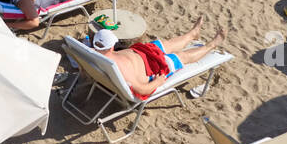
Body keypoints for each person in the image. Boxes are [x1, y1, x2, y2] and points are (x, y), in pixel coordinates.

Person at [91, 20, 226, 100]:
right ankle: (211, 45)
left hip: (143, 54)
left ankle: (192, 35)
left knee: (164, 45)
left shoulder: (92, 54)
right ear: (112, 45)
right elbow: (142, 90)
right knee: (181, 57)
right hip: (154, 70)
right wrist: (158, 82)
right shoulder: (118, 69)